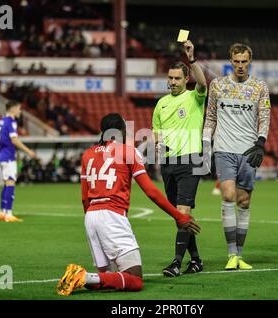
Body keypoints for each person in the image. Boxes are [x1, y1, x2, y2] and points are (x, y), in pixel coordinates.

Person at [56, 113, 200, 296]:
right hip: (112, 217)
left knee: (108, 277)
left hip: (91, 217)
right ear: (122, 131)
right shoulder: (128, 152)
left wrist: (93, 223)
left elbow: (85, 197)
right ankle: (83, 277)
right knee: (135, 280)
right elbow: (151, 192)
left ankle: (86, 278)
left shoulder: (88, 154)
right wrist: (179, 216)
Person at [202, 43, 271, 270]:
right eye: (236, 61)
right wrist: (205, 142)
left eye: (244, 61)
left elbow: (265, 116)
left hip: (248, 150)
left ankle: (239, 255)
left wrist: (261, 142)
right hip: (224, 149)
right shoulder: (218, 85)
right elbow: (210, 116)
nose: (240, 65)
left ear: (249, 61)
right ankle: (231, 253)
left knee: (244, 201)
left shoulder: (259, 87)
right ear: (230, 61)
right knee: (229, 194)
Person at [152, 40, 207, 277]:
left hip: (191, 160)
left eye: (177, 78)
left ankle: (175, 262)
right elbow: (156, 131)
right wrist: (157, 144)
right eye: (170, 78)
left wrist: (191, 58)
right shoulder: (161, 104)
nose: (172, 82)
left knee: (183, 211)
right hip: (168, 163)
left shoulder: (195, 98)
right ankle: (195, 260)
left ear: (186, 80)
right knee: (179, 217)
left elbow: (204, 83)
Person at [0, 100, 37, 222]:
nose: (20, 111)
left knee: (7, 183)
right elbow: (15, 140)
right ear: (12, 109)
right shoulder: (11, 122)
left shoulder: (0, 122)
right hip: (8, 156)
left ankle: (2, 212)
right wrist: (29, 151)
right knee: (11, 183)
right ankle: (9, 214)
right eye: (19, 108)